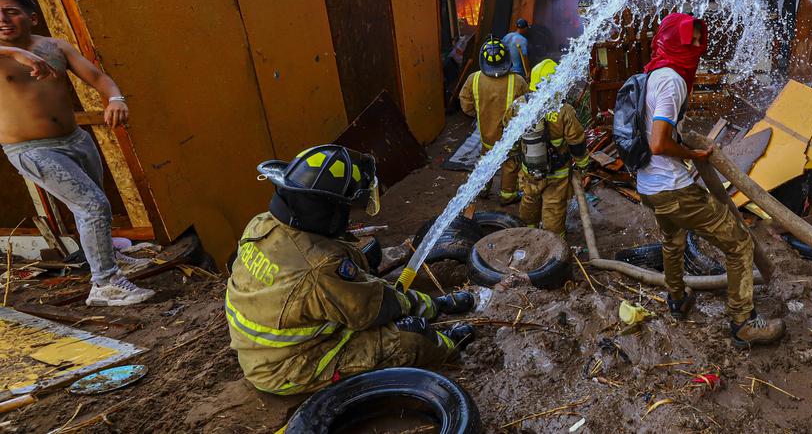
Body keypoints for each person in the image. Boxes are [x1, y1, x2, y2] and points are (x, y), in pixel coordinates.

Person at [226, 144, 476, 395]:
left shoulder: (261, 224)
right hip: (291, 367)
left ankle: (436, 307)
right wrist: (425, 306)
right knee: (411, 336)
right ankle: (451, 344)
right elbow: (375, 308)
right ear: (328, 209)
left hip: (264, 351)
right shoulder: (322, 267)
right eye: (346, 207)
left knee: (364, 282)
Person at [636, 12, 784, 347]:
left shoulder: (655, 72)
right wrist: (695, 156)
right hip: (672, 188)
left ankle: (677, 299)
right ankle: (744, 322)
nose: (699, 47)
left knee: (672, 241)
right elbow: (659, 142)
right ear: (675, 41)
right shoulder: (672, 80)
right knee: (739, 244)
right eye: (692, 40)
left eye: (700, 39)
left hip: (649, 185)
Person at [0, 0, 154, 307]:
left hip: (75, 140)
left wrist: (116, 98)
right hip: (32, 149)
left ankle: (107, 257)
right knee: (92, 204)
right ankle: (105, 285)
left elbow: (98, 77)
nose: (3, 19)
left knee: (95, 204)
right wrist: (15, 53)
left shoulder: (54, 47)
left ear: (32, 18)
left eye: (11, 11)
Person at [503, 59, 588, 235]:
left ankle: (529, 234)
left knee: (529, 199)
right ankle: (553, 245)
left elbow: (507, 134)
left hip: (530, 169)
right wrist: (582, 164)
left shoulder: (519, 105)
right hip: (558, 173)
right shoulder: (563, 110)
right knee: (554, 206)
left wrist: (513, 155)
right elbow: (577, 141)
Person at [459, 38, 529, 205]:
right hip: (509, 136)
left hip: (486, 135)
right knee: (510, 164)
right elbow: (528, 107)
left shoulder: (473, 79)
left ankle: (483, 189)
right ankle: (507, 195)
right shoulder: (518, 81)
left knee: (486, 161)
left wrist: (481, 115)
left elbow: (466, 105)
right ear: (507, 58)